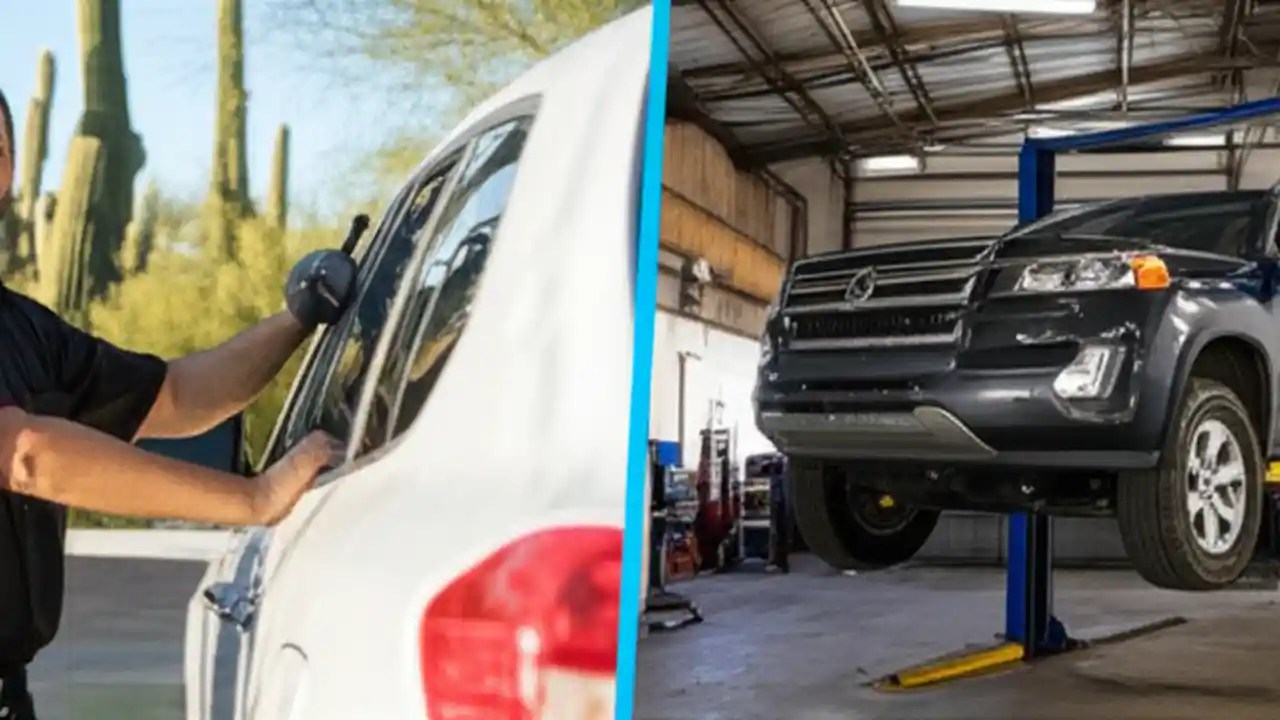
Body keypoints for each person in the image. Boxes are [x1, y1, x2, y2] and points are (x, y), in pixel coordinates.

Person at [0, 89, 354, 719]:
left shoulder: (23, 330)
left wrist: (300, 318)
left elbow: (182, 395)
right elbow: (27, 456)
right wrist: (255, 499)